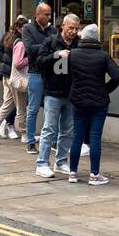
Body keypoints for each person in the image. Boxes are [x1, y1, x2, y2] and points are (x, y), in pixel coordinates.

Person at [66, 23, 119, 186]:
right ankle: (94, 174)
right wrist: (105, 89)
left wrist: (74, 87)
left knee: (77, 136)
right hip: (99, 101)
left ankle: (72, 173)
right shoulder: (103, 56)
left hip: (78, 100)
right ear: (97, 38)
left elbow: (64, 73)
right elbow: (118, 76)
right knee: (95, 136)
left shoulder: (73, 54)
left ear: (82, 37)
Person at [34, 13, 79, 179]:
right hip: (53, 93)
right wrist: (55, 55)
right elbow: (38, 61)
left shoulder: (78, 44)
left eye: (76, 28)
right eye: (70, 28)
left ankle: (60, 162)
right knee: (49, 129)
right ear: (63, 27)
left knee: (67, 131)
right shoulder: (50, 42)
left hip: (71, 94)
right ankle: (42, 164)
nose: (73, 31)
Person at [0, 16, 27, 144]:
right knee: (21, 107)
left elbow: (0, 53)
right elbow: (17, 61)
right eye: (25, 28)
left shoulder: (8, 36)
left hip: (6, 75)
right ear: (19, 28)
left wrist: (7, 62)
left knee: (7, 104)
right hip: (15, 77)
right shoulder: (20, 41)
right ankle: (25, 134)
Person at [21, 2, 55, 155]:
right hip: (35, 72)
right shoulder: (28, 29)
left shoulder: (53, 30)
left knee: (52, 108)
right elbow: (30, 49)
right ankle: (30, 141)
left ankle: (52, 141)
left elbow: (57, 48)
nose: (49, 17)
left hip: (51, 72)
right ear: (37, 14)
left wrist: (43, 47)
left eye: (49, 14)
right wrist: (48, 46)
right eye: (46, 14)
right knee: (33, 108)